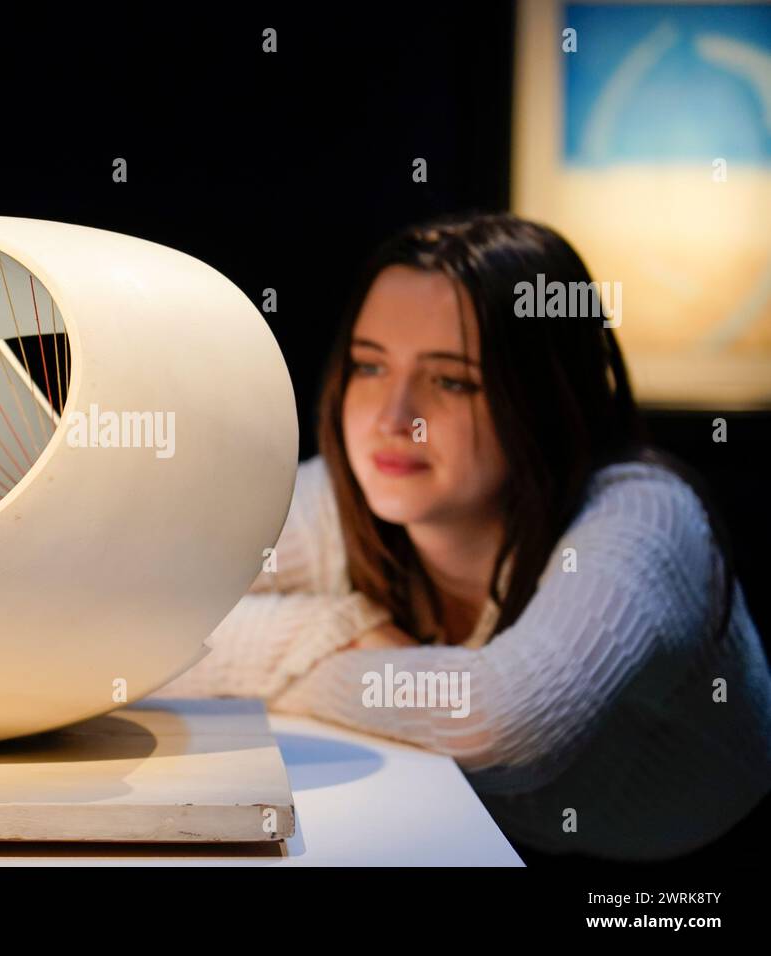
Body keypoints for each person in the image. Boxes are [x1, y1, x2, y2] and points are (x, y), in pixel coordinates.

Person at [152, 213, 771, 862]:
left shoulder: (647, 516)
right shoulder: (344, 497)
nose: (394, 419)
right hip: (472, 836)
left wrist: (307, 666)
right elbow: (134, 618)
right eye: (369, 367)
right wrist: (333, 626)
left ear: (542, 395)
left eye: (450, 380)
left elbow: (496, 722)